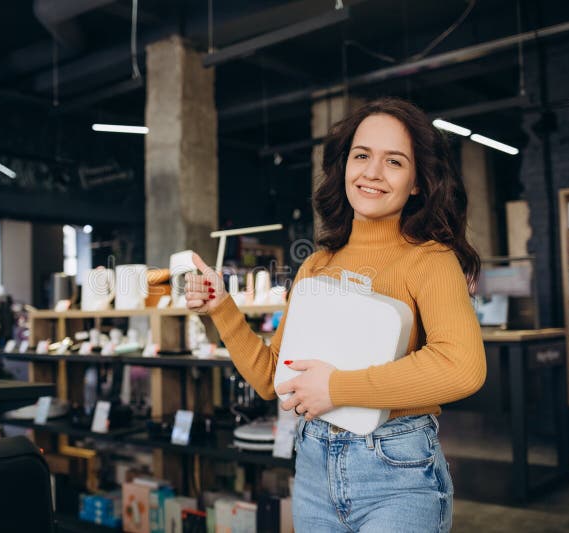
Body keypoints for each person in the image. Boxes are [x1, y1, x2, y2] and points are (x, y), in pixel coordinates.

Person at [185, 97, 486, 532]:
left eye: (395, 162)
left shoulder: (430, 260)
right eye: (361, 156)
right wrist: (222, 308)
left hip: (397, 473)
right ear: (344, 165)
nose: (372, 173)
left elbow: (463, 368)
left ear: (418, 182)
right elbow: (274, 378)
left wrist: (339, 387)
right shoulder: (317, 265)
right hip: (313, 467)